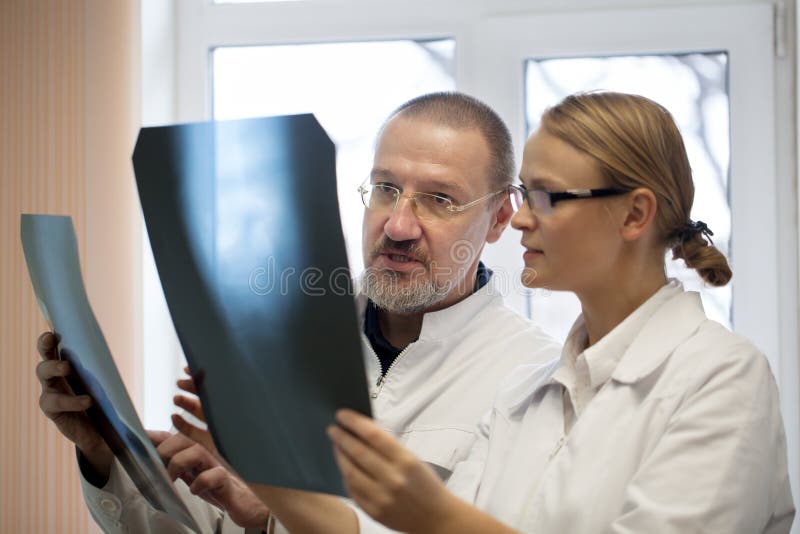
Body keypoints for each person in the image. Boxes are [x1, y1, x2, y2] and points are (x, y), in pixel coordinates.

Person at [35, 92, 560, 533]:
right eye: (386, 189)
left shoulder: (535, 382)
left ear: (499, 218)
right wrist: (105, 455)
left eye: (440, 199)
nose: (398, 226)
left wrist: (277, 513)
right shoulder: (275, 349)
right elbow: (212, 524)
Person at [321, 92, 796, 533]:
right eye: (527, 194)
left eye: (546, 197)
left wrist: (436, 515)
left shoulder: (724, 377)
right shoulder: (524, 392)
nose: (522, 219)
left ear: (634, 215)